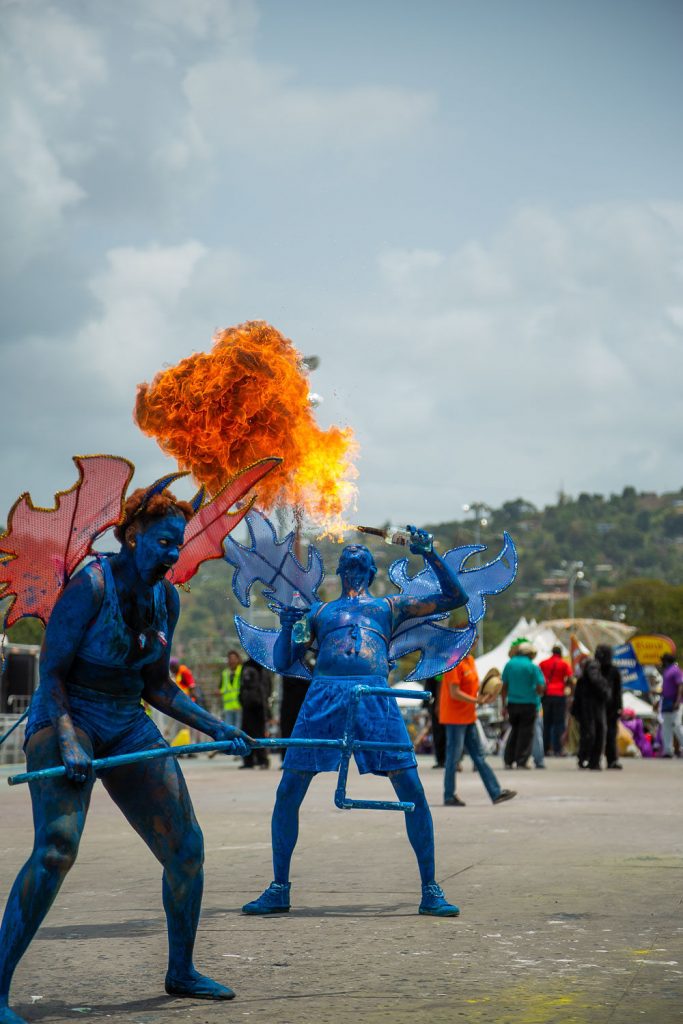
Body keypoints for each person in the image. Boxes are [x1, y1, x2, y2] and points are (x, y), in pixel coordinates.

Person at [0, 484, 250, 1023]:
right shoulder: (91, 585)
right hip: (65, 712)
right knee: (56, 848)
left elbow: (157, 687)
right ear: (133, 536)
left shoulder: (168, 598)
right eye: (163, 542)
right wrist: (66, 736)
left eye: (177, 545)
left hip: (126, 721)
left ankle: (181, 970)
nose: (171, 554)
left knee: (187, 849)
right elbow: (53, 674)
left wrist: (215, 727)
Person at [241, 528, 470, 918]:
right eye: (348, 555)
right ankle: (279, 887)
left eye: (361, 556)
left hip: (374, 697)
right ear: (341, 569)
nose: (354, 555)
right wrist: (288, 625)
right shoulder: (318, 612)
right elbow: (282, 661)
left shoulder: (389, 607)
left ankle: (430, 888)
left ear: (370, 569)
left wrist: (429, 552)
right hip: (323, 697)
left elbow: (455, 597)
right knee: (288, 789)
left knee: (411, 788)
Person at [440, 653, 515, 807]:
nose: (474, 643)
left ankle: (496, 792)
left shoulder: (470, 660)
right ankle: (449, 795)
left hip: (469, 716)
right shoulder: (454, 661)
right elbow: (454, 692)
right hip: (454, 718)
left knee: (479, 756)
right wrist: (477, 700)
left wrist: (485, 697)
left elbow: (474, 689)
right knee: (453, 758)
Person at [501, 640, 545, 769]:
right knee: (526, 734)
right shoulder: (532, 666)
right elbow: (540, 686)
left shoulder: (509, 664)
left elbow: (504, 686)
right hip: (529, 704)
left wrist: (504, 705)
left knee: (514, 731)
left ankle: (508, 760)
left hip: (513, 703)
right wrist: (536, 692)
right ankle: (521, 761)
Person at [572, 655, 610, 770]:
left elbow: (607, 695)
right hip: (586, 713)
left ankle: (594, 761)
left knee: (598, 736)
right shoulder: (582, 681)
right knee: (588, 736)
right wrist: (575, 713)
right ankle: (583, 757)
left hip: (598, 712)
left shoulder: (601, 681)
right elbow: (577, 698)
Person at [239, 657, 271, 769]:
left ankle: (261, 759)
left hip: (258, 704)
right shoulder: (250, 665)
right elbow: (242, 685)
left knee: (259, 732)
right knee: (247, 731)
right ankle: (249, 760)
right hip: (250, 704)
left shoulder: (262, 666)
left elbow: (267, 685)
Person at [539, 645, 572, 756]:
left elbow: (539, 677)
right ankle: (558, 749)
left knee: (547, 723)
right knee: (559, 723)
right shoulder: (564, 664)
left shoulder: (543, 663)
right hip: (559, 695)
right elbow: (570, 678)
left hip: (547, 695)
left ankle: (545, 748)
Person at [595, 644, 623, 770]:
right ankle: (595, 759)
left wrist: (619, 707)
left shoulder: (613, 671)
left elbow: (617, 691)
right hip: (598, 706)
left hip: (610, 707)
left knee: (610, 734)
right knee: (598, 734)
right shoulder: (595, 669)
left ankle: (611, 759)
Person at [659, 652, 683, 758]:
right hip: (666, 702)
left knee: (676, 726)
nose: (661, 662)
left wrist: (677, 702)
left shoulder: (676, 670)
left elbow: (680, 686)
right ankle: (668, 751)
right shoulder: (666, 671)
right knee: (666, 727)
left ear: (667, 661)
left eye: (663, 660)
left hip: (675, 702)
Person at [219, 650, 243, 730]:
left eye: (234, 659)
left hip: (239, 707)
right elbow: (222, 689)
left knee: (238, 731)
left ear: (238, 659)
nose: (232, 661)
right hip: (228, 708)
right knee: (229, 731)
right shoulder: (225, 674)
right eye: (230, 659)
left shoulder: (242, 671)